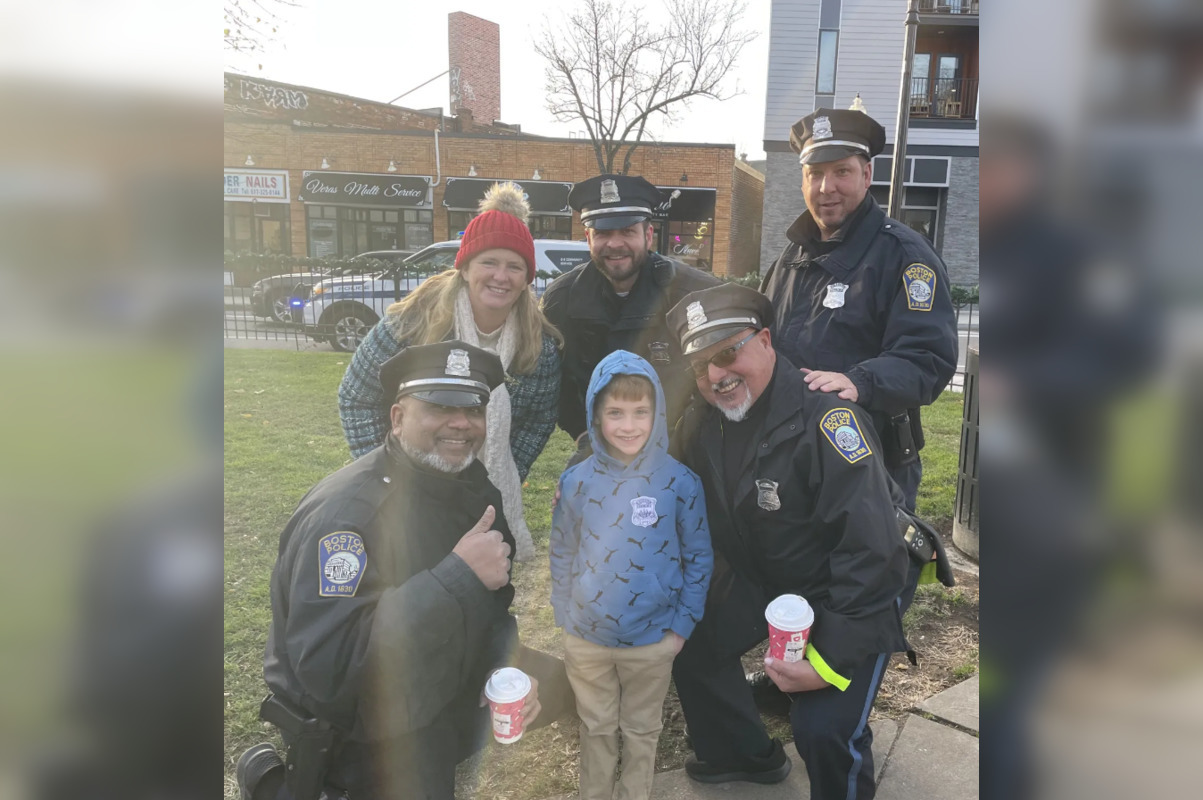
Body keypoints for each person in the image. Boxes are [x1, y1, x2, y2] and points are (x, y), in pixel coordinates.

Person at [237, 341, 571, 800]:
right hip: (365, 722)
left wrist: (504, 667)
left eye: (473, 409)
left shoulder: (472, 488)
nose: (461, 423)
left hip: (441, 676)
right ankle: (277, 786)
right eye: (439, 407)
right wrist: (458, 577)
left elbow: (493, 608)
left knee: (569, 684)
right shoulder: (348, 517)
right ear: (397, 418)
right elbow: (333, 670)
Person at [665, 283, 914, 800]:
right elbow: (636, 438)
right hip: (770, 577)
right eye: (700, 366)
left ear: (765, 341)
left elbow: (873, 550)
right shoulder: (704, 418)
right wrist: (586, 473)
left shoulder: (829, 419)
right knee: (688, 634)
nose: (716, 376)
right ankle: (740, 753)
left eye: (728, 353)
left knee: (823, 729)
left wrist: (826, 662)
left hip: (854, 590)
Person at [339, 182, 562, 561]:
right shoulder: (412, 323)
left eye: (514, 266)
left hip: (487, 496)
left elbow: (540, 418)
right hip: (410, 487)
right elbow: (356, 396)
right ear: (465, 267)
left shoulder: (537, 345)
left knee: (485, 586)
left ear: (527, 278)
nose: (501, 276)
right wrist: (389, 473)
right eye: (489, 262)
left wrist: (505, 469)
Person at [759, 108, 958, 511]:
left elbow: (927, 357)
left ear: (867, 175)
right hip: (791, 458)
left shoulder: (905, 257)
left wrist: (860, 381)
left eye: (841, 172)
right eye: (815, 174)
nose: (826, 187)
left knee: (867, 554)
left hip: (869, 461)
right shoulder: (790, 258)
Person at [549, 350, 712, 800]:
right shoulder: (576, 482)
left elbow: (699, 558)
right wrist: (564, 614)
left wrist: (680, 627)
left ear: (657, 413)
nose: (628, 425)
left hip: (653, 640)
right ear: (595, 415)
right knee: (596, 727)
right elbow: (562, 549)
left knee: (642, 730)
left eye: (641, 412)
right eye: (615, 413)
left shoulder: (680, 482)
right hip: (587, 639)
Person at [541, 173, 719, 449]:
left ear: (648, 236)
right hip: (601, 449)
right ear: (588, 237)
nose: (615, 244)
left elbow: (718, 376)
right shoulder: (561, 300)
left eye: (627, 231)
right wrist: (583, 436)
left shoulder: (694, 295)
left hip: (683, 450)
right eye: (603, 233)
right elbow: (557, 384)